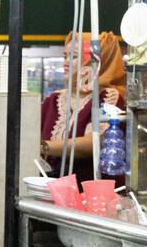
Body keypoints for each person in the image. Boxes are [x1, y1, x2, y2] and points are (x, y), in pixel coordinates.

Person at [40, 30, 126, 184]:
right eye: (65, 56)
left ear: (94, 63)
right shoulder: (53, 100)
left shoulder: (107, 98)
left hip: (92, 195)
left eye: (73, 56)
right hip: (50, 193)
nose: (65, 62)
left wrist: (45, 147)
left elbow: (94, 142)